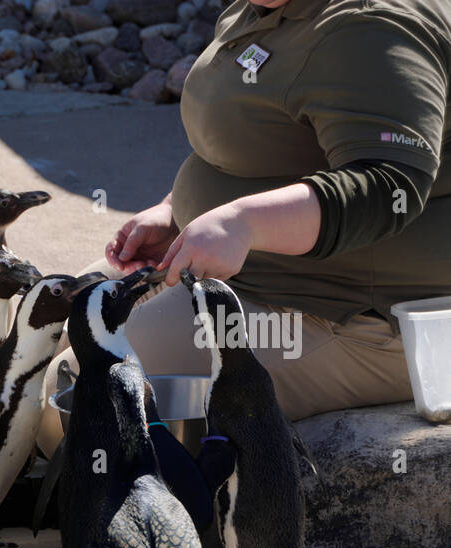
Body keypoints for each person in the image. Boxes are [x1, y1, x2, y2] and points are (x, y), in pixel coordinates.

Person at [38, 0, 451, 450]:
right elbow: (260, 142)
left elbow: (389, 186)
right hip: (232, 272)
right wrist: (178, 212)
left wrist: (245, 223)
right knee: (37, 338)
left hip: (347, 317)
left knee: (70, 399)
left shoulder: (373, 28)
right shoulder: (261, 6)